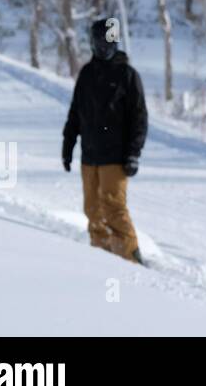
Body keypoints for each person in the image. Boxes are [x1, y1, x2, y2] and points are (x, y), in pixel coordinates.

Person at [62, 18, 148, 265]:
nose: (103, 46)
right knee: (92, 211)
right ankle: (101, 259)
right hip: (89, 156)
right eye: (99, 40)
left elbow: (139, 118)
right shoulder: (87, 74)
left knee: (113, 208)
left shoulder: (127, 75)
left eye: (109, 40)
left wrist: (133, 153)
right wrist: (67, 147)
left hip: (115, 156)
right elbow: (75, 113)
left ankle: (130, 256)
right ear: (92, 42)